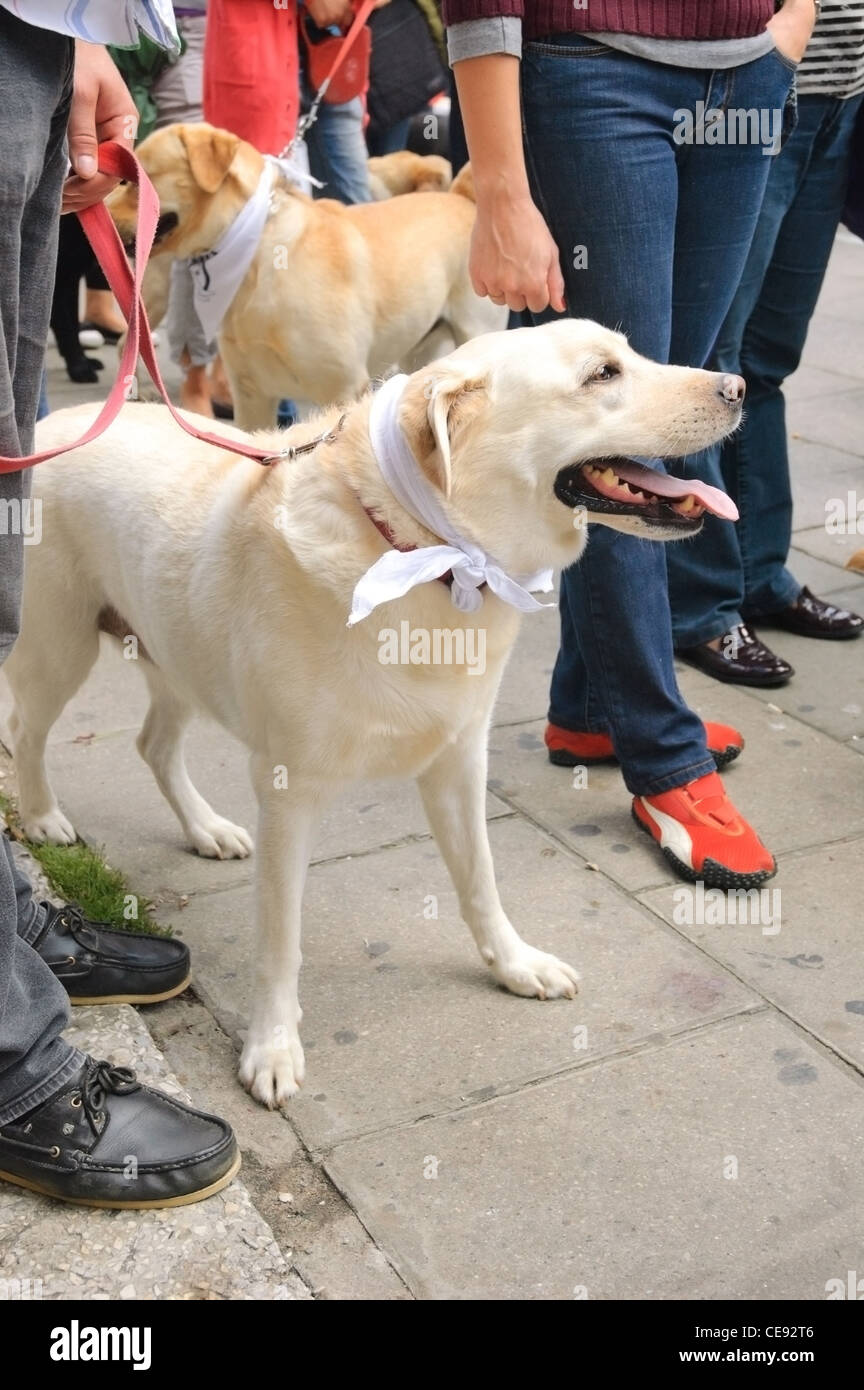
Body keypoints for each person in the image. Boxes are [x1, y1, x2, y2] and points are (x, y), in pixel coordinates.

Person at [443, 0, 821, 889]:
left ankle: (591, 706)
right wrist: (499, 185)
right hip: (592, 70)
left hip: (745, 71)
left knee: (674, 411)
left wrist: (783, 34)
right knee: (608, 438)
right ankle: (662, 753)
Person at [0, 3, 238, 1208]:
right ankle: (6, 1048)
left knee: (5, 432)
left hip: (31, 47)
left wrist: (69, 34)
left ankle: (5, 929)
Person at [679, 0, 864, 687]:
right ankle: (699, 606)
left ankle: (761, 574)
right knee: (709, 360)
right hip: (751, 83)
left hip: (838, 96)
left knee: (768, 361)